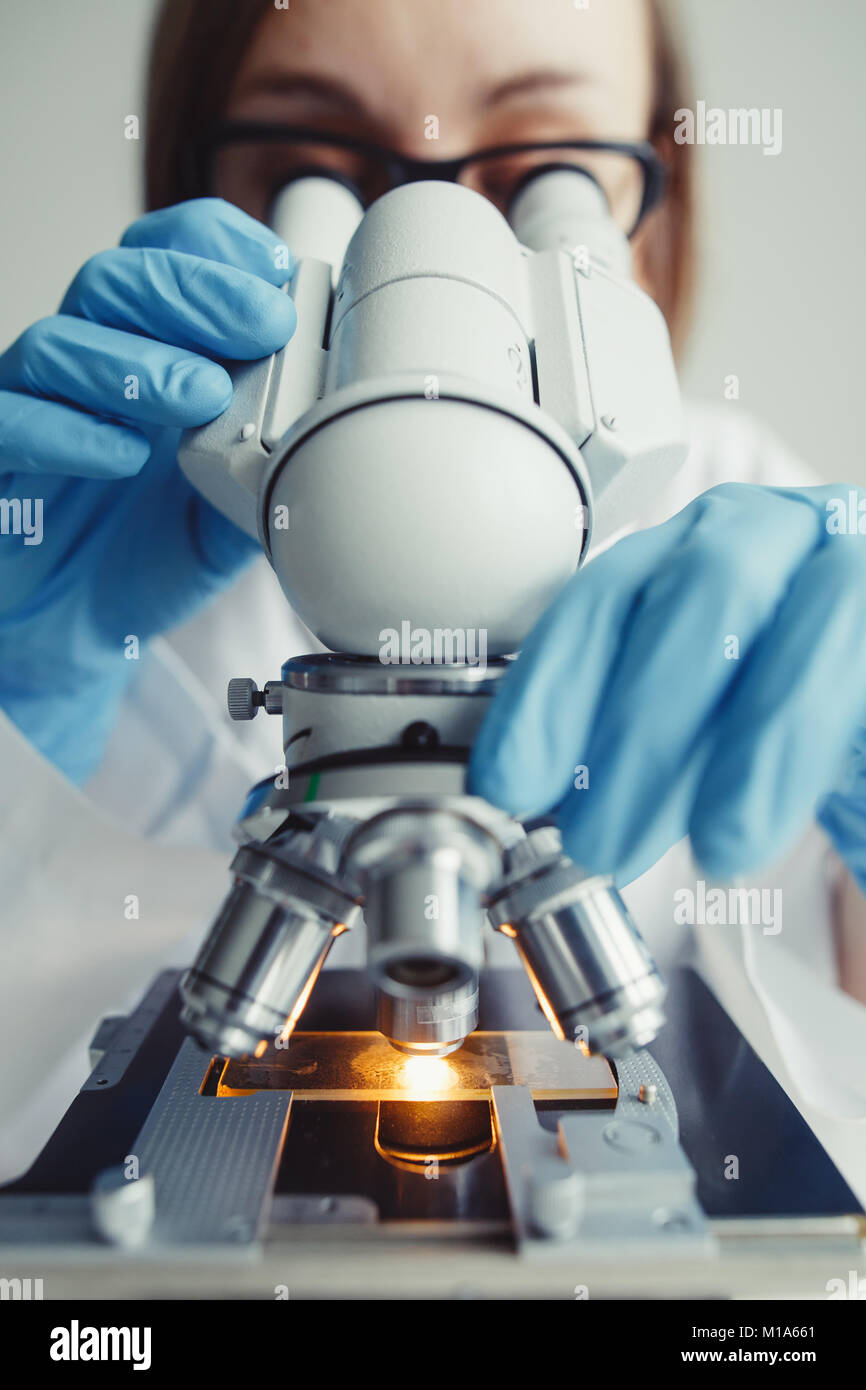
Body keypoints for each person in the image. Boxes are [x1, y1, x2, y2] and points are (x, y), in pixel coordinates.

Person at [1, 0, 865, 1187]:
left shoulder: (761, 526)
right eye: (311, 171)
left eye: (543, 172)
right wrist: (22, 700)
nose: (434, 225)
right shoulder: (81, 539)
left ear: (651, 218)